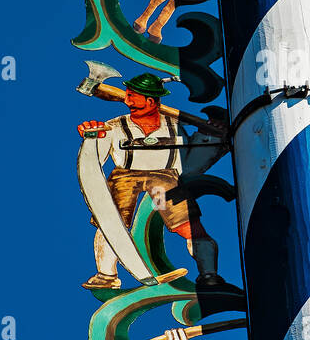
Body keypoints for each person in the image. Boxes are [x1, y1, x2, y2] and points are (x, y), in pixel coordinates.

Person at [77, 72, 231, 291]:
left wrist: (215, 137)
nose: (128, 101)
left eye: (133, 96)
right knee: (111, 220)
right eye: (127, 96)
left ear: (151, 100)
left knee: (188, 225)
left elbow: (190, 165)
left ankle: (208, 274)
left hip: (163, 180)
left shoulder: (175, 128)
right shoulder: (115, 126)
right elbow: (95, 156)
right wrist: (92, 135)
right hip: (125, 176)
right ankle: (106, 275)